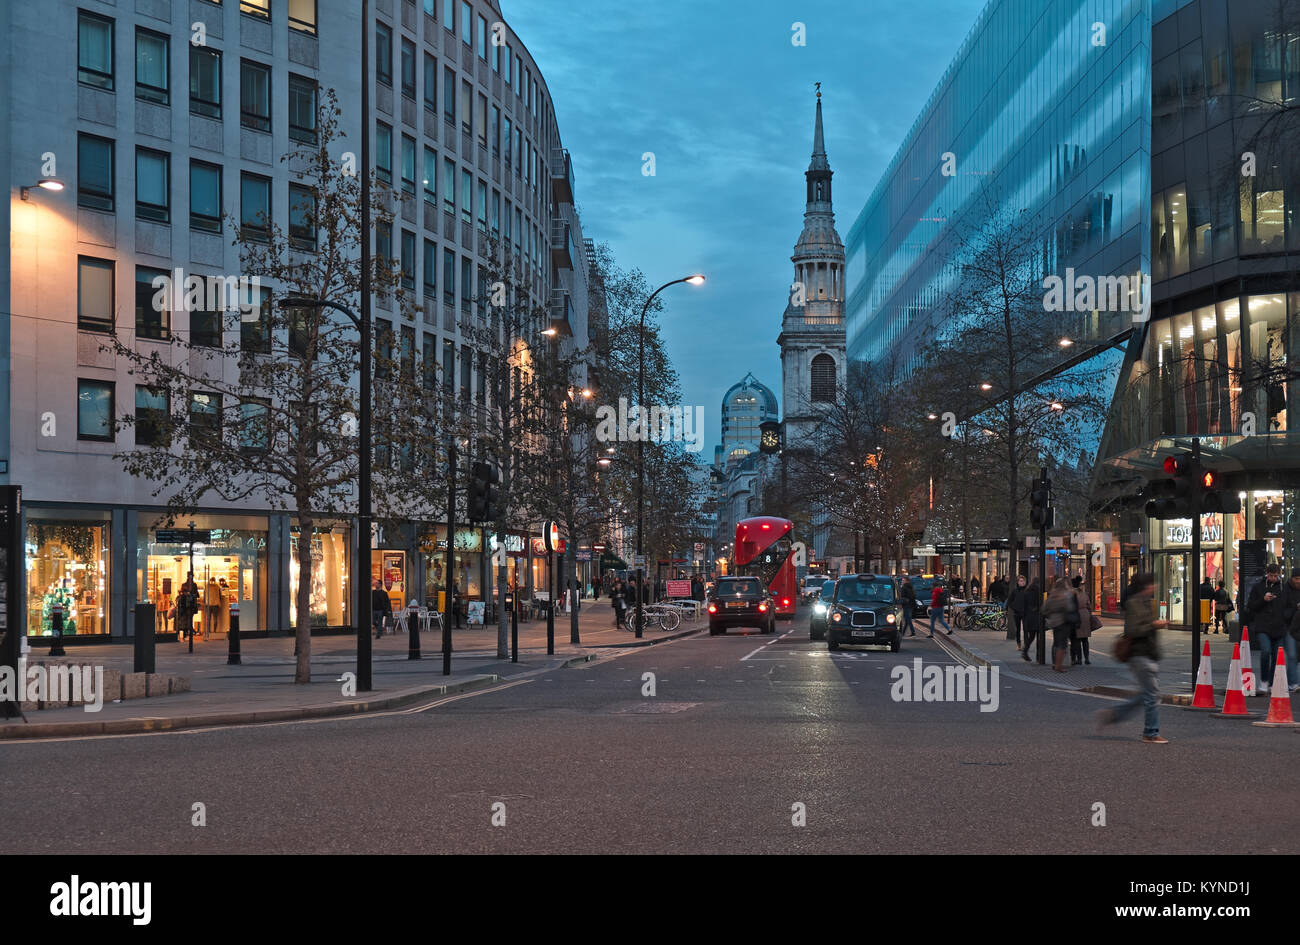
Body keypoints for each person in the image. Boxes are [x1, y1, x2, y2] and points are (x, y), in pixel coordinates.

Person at [1098, 574, 1168, 742]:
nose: (1155, 587)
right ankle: (1151, 733)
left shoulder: (1148, 603)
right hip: (1139, 654)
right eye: (1152, 584)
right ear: (1145, 586)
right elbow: (1132, 630)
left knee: (1147, 694)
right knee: (1152, 695)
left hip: (1148, 653)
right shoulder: (1134, 603)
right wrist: (1154, 625)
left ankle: (1115, 714)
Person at [1247, 565, 1300, 693]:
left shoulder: (1283, 589)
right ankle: (1264, 681)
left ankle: (1271, 683)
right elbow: (1251, 606)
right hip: (1263, 627)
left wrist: (1290, 611)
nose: (1274, 578)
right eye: (1271, 575)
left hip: (1279, 628)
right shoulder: (1259, 587)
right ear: (1267, 574)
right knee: (1266, 651)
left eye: (1276, 576)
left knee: (1276, 657)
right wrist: (1263, 600)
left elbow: (1287, 607)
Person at [1042, 577, 1078, 672]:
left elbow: (1044, 608)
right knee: (1062, 644)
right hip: (1063, 621)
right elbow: (1070, 607)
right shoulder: (1066, 595)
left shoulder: (1052, 594)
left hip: (1053, 621)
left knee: (1056, 642)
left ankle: (1054, 663)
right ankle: (1058, 666)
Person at [1069, 575, 1094, 665]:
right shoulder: (1084, 593)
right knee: (1085, 639)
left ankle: (1079, 659)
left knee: (1076, 640)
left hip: (1076, 616)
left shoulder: (1071, 593)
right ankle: (1087, 658)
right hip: (1085, 615)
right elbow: (1089, 606)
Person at [1007, 575, 1031, 651]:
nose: (1022, 582)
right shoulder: (1015, 591)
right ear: (1018, 582)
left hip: (1025, 612)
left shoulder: (1028, 590)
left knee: (1026, 629)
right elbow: (1010, 601)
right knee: (1018, 629)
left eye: (1023, 581)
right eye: (1021, 581)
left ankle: (1026, 645)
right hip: (1017, 613)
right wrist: (1014, 607)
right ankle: (1019, 644)